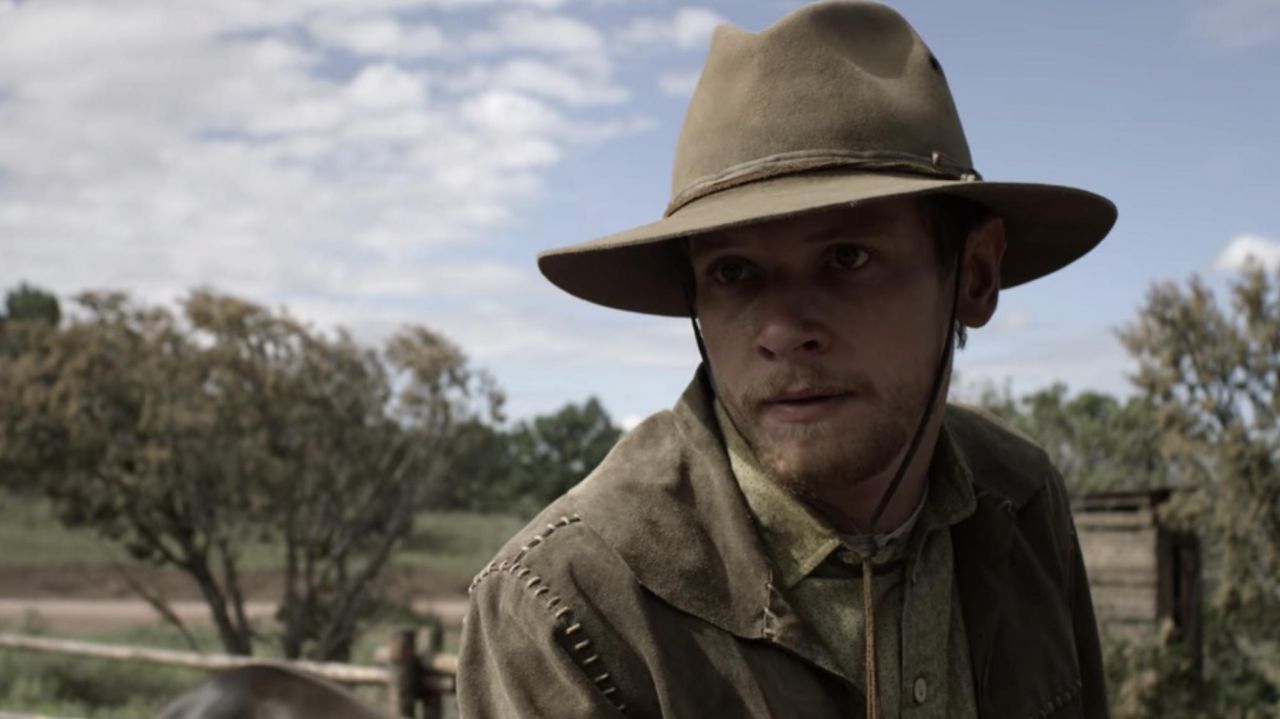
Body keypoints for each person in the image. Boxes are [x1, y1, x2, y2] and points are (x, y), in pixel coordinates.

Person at [457, 1, 1114, 717]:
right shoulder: (569, 606)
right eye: (734, 272)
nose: (780, 329)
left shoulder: (1019, 500)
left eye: (846, 256)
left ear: (974, 276)